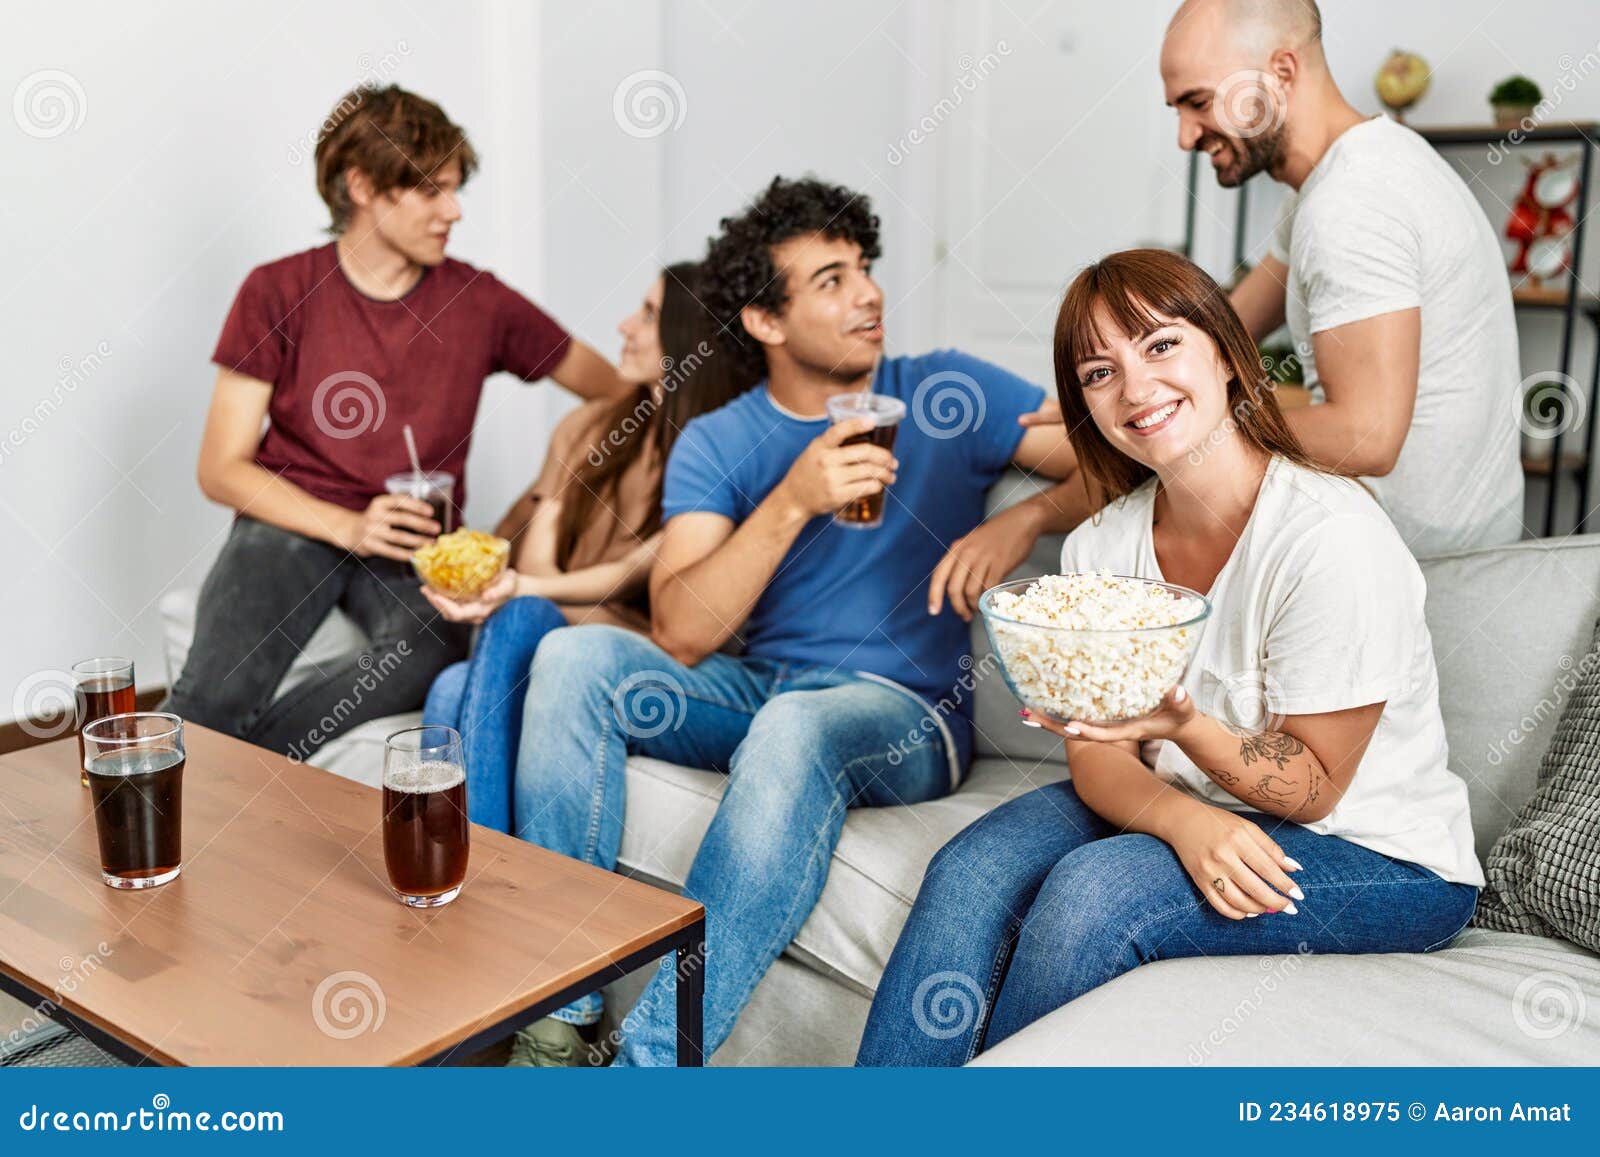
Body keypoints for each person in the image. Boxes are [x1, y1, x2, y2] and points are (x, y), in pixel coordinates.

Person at [856, 248, 1483, 1067]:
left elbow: (1310, 784)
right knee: (970, 871)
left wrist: (1185, 724)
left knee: (1097, 895)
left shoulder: (1331, 537)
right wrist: (1181, 817)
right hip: (1190, 794)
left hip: (1380, 852)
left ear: (1225, 353)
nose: (1135, 388)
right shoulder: (1100, 543)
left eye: (1160, 346)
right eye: (1098, 371)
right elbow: (1098, 758)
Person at [508, 176, 1085, 1066]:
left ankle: (649, 1070)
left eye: (864, 269)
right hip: (764, 684)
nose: (868, 294)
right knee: (572, 655)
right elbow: (683, 632)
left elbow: (1116, 457)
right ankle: (560, 1022)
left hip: (903, 711)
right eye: (831, 280)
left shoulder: (948, 390)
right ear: (765, 323)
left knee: (794, 725)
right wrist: (791, 499)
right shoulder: (721, 439)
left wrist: (1024, 518)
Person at [163, 85, 625, 759]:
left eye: (455, 188)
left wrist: (552, 491)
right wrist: (350, 525)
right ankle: (175, 772)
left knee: (428, 649)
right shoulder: (277, 290)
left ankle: (248, 769)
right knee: (214, 696)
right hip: (292, 526)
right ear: (362, 187)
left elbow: (617, 393)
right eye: (433, 191)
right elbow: (221, 467)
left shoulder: (480, 301)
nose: (455, 210)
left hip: (417, 546)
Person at [1024, 0, 1524, 557]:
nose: (1185, 137)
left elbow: (1368, 436)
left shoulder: (1353, 203)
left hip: (1422, 564)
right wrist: (1109, 393)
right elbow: (1222, 331)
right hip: (1411, 534)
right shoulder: (1340, 177)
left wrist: (1161, 420)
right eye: (1177, 110)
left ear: (1281, 72)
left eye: (1199, 102)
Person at [416, 263, 752, 836]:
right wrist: (551, 500)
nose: (623, 326)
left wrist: (525, 588)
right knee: (451, 684)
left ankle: (480, 875)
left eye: (647, 314)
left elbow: (612, 574)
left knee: (521, 616)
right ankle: (460, 878)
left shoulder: (721, 455)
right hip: (553, 634)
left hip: (638, 659)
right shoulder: (594, 429)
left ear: (688, 339)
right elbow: (532, 559)